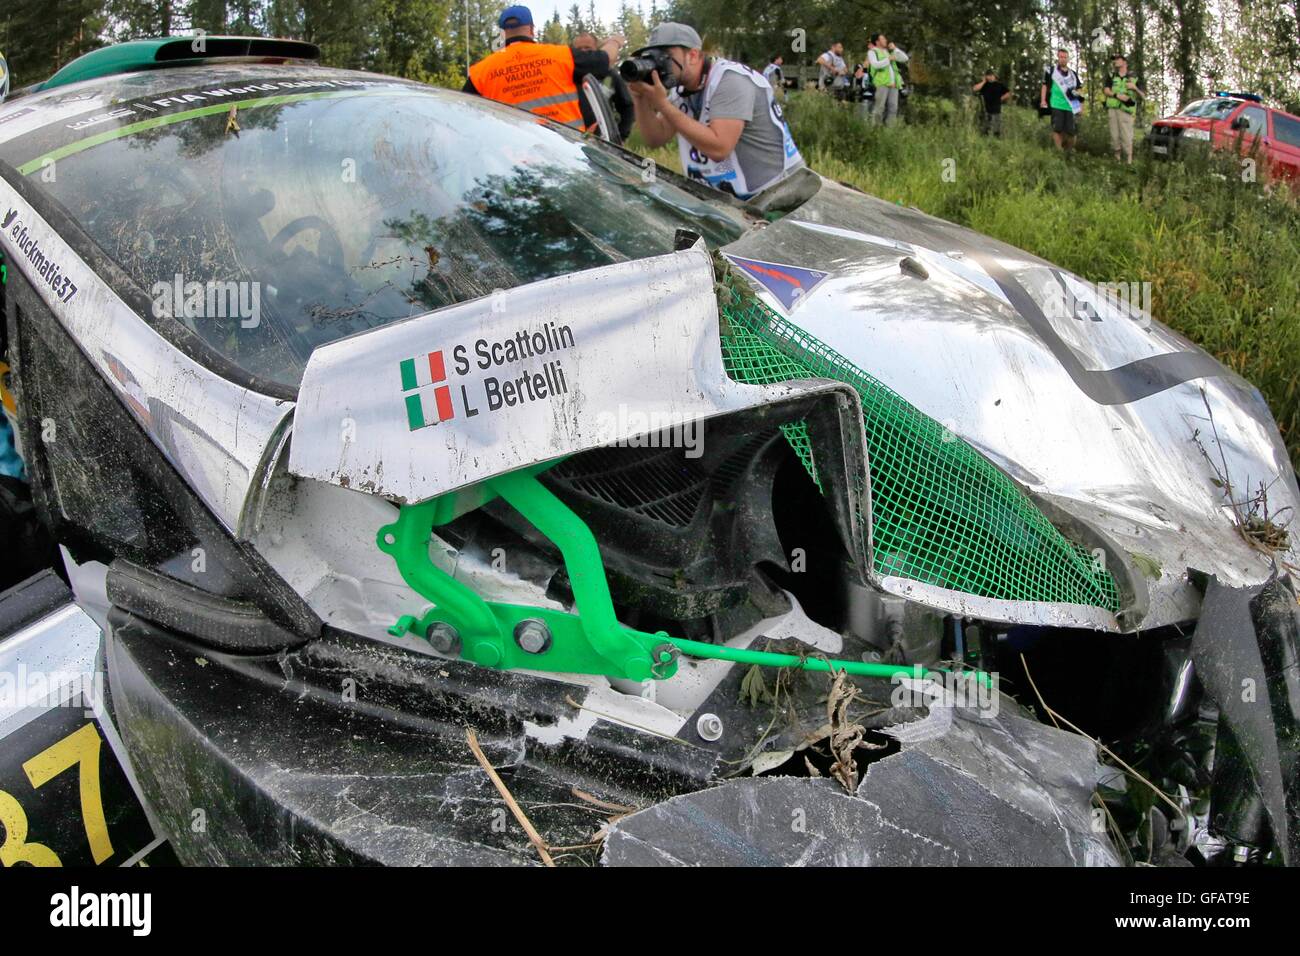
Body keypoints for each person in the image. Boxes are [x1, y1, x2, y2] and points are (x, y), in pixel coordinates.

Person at [626, 22, 805, 200]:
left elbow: (719, 148)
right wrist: (639, 99)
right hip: (739, 198)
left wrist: (663, 105)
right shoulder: (681, 89)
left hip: (781, 194)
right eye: (650, 58)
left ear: (693, 55)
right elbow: (656, 138)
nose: (657, 65)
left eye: (664, 57)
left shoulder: (731, 81)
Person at [464, 6, 624, 129]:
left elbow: (462, 114)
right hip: (566, 155)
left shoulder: (481, 72)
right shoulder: (561, 56)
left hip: (510, 161)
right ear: (532, 29)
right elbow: (606, 59)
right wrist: (615, 41)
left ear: (502, 32)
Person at [573, 31, 634, 139]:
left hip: (604, 141)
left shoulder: (610, 75)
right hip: (574, 138)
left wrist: (622, 136)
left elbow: (627, 106)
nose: (584, 52)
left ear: (597, 50)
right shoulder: (568, 76)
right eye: (579, 50)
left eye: (588, 48)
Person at [1104, 54, 1145, 163]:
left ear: (1125, 62)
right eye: (1114, 60)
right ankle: (1117, 160)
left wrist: (1135, 88)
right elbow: (1106, 91)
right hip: (1113, 108)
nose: (1115, 61)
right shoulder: (1111, 76)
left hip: (1127, 110)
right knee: (1114, 135)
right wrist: (1117, 95)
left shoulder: (1134, 77)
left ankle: (1128, 161)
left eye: (1118, 59)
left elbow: (1143, 95)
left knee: (1127, 136)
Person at [1040, 48, 1083, 151]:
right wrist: (1043, 100)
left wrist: (1080, 106)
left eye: (1065, 57)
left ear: (1068, 59)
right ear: (1058, 58)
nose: (1063, 59)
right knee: (1057, 129)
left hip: (1071, 106)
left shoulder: (1073, 74)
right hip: (1056, 104)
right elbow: (1044, 86)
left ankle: (1068, 151)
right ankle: (1059, 152)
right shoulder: (1051, 71)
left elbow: (1079, 90)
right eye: (1061, 57)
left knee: (1071, 132)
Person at [866, 34, 909, 125]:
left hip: (894, 84)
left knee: (893, 108)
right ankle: (875, 129)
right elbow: (875, 65)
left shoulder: (888, 51)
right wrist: (888, 59)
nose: (886, 40)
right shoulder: (872, 52)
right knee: (879, 108)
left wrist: (895, 49)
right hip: (882, 83)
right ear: (877, 41)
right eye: (883, 39)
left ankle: (890, 130)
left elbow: (905, 58)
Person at [972, 68, 1011, 136]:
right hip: (985, 110)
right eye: (988, 75)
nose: (990, 77)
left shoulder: (999, 85)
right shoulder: (984, 85)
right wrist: (984, 81)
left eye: (991, 75)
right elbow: (974, 89)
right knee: (984, 130)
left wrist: (1000, 99)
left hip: (996, 110)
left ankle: (995, 142)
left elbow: (1008, 93)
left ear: (994, 76)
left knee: (996, 130)